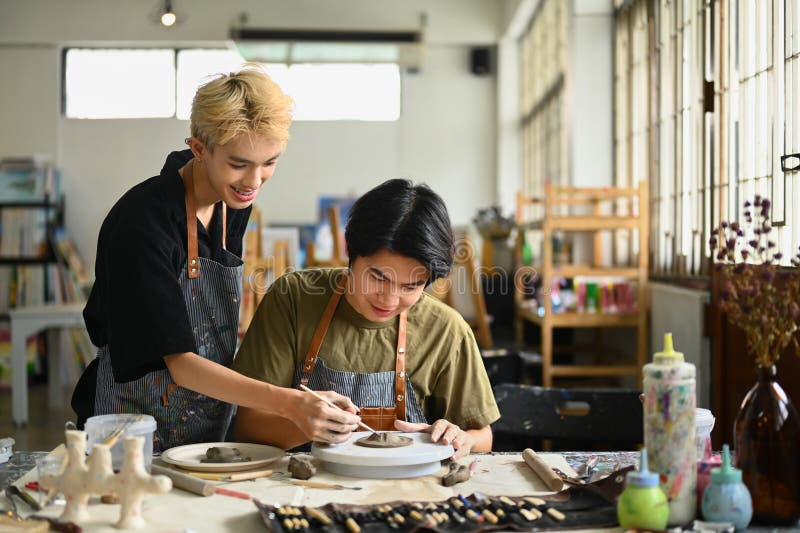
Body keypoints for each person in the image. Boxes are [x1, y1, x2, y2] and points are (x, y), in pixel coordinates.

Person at [71, 67, 359, 452]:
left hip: (204, 419)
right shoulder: (143, 224)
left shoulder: (232, 205)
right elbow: (180, 362)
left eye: (269, 162)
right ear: (199, 148)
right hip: (130, 427)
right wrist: (292, 403)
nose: (254, 181)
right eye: (239, 164)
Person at [232, 179, 500, 458]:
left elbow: (482, 437)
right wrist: (305, 424)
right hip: (305, 486)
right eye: (377, 277)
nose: (389, 300)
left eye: (411, 287)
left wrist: (459, 438)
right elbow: (248, 428)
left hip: (407, 490)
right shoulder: (294, 299)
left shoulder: (447, 330)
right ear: (350, 250)